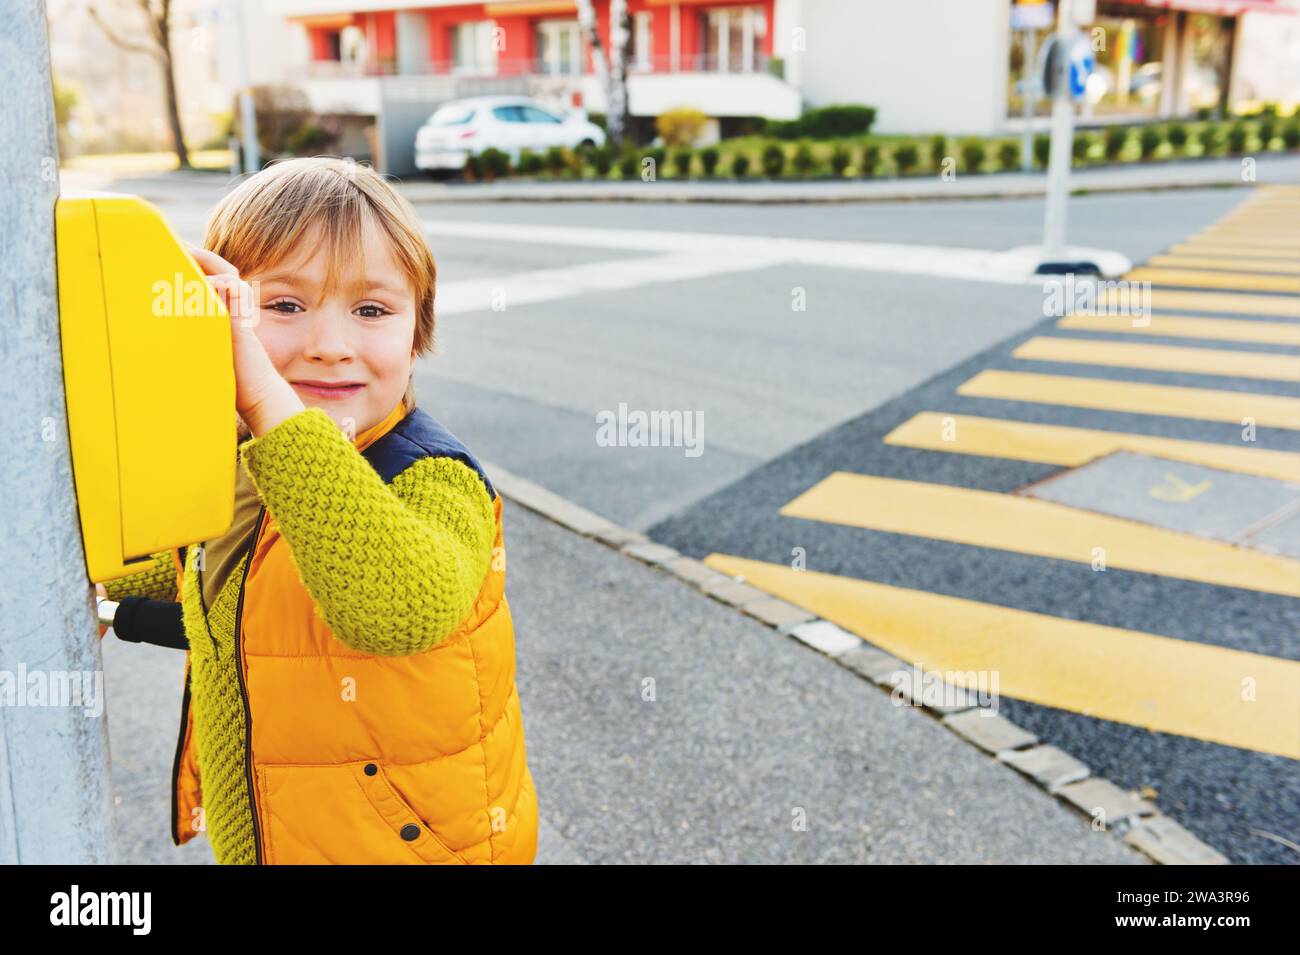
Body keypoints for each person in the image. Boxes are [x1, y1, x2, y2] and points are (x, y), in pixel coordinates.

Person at [98, 156, 537, 865]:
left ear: (416, 337)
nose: (329, 347)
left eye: (370, 310)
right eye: (284, 306)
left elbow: (393, 608)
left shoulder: (434, 478)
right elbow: (197, 581)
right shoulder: (236, 465)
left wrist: (267, 401)